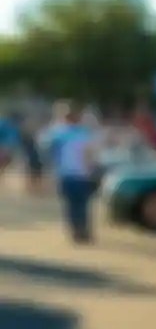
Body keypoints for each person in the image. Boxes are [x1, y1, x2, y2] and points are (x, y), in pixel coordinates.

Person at [49, 104, 100, 244]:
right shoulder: (83, 133)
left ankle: (76, 231)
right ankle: (82, 231)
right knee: (82, 205)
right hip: (81, 174)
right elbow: (90, 154)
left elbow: (52, 154)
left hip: (67, 174)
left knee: (72, 205)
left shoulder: (57, 134)